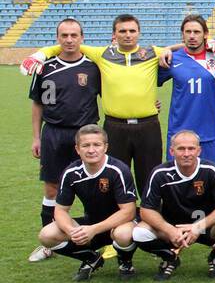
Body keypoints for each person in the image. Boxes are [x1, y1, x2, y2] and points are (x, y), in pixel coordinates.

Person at [24, 13, 167, 194]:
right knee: (112, 178)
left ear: (139, 33)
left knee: (149, 180)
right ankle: (114, 219)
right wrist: (41, 53)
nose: (128, 34)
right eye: (122, 31)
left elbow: (181, 49)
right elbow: (67, 46)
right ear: (114, 35)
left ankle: (149, 220)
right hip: (111, 127)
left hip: (145, 126)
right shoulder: (102, 55)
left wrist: (168, 50)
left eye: (132, 31)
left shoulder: (152, 53)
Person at [28, 18, 101, 262]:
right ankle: (49, 242)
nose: (69, 40)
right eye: (64, 36)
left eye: (74, 35)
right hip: (54, 134)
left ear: (82, 38)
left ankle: (97, 236)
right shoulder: (44, 66)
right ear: (57, 38)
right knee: (51, 187)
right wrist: (36, 137)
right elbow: (37, 103)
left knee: (94, 188)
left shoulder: (94, 67)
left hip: (87, 134)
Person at [133, 130, 215, 281]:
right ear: (172, 151)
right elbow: (146, 210)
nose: (186, 153)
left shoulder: (211, 170)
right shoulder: (160, 173)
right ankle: (169, 257)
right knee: (139, 233)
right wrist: (169, 230)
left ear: (199, 150)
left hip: (206, 227)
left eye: (191, 148)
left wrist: (197, 227)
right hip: (173, 230)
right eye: (181, 149)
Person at [37, 124, 138, 281]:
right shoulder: (71, 173)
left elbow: (128, 211)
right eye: (86, 145)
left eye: (96, 145)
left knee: (123, 234)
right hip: (91, 224)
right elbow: (60, 210)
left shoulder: (118, 170)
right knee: (47, 235)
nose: (91, 150)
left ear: (105, 147)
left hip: (119, 224)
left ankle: (125, 262)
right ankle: (91, 258)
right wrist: (71, 231)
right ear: (78, 149)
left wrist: (94, 229)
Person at [159, 14, 215, 166]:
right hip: (179, 135)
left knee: (211, 184)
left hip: (210, 135)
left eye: (196, 32)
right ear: (182, 34)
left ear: (205, 35)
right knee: (178, 185)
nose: (192, 36)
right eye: (188, 32)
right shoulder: (171, 59)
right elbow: (148, 81)